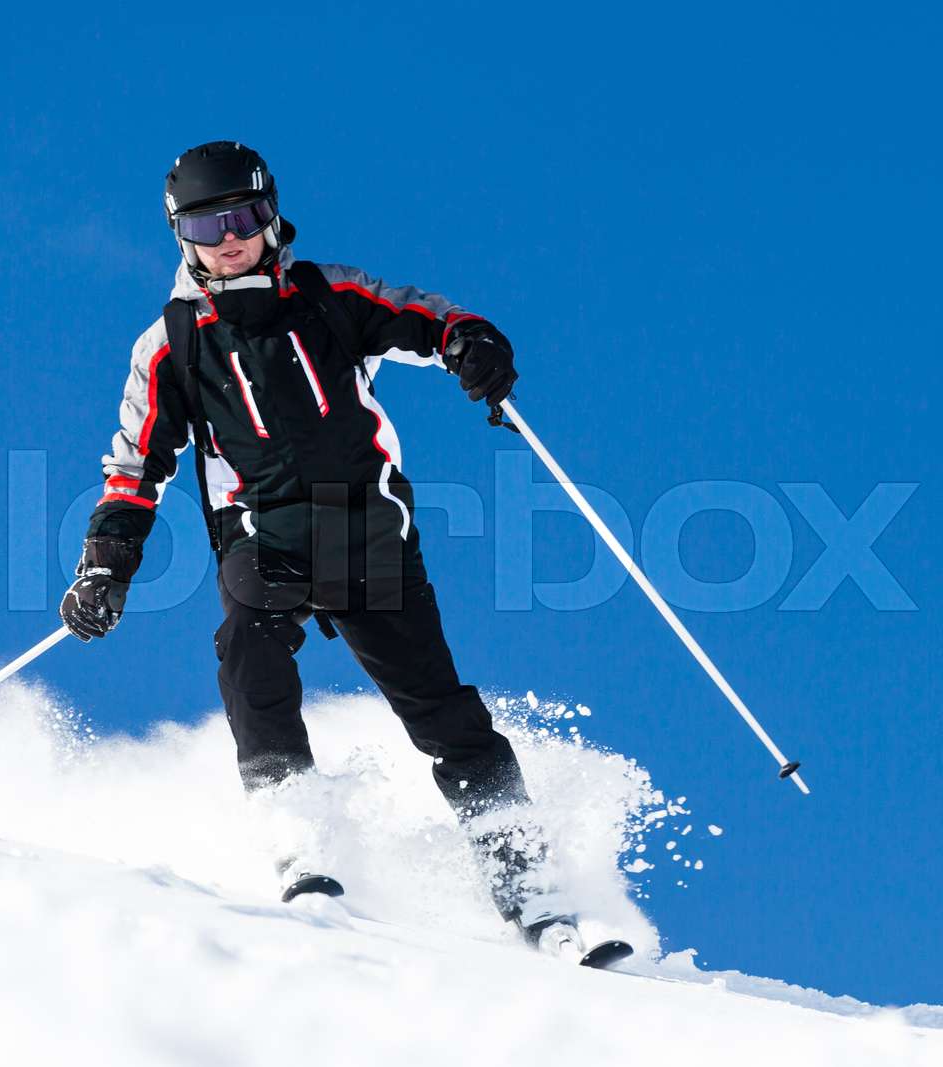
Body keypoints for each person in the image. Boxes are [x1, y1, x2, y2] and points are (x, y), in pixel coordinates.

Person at [60, 141, 589, 956]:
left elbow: (429, 318)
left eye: (241, 217)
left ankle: (534, 890)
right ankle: (300, 837)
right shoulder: (170, 344)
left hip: (367, 528)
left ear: (269, 215)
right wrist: (106, 563)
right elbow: (135, 468)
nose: (227, 238)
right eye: (206, 224)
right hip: (261, 531)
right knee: (247, 644)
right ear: (181, 235)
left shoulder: (328, 295)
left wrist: (471, 344)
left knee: (444, 711)